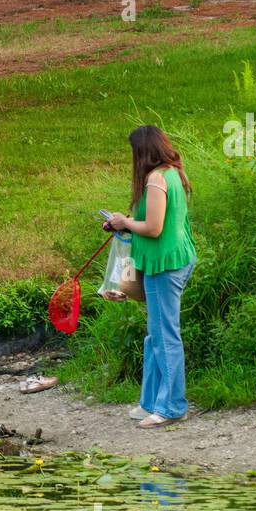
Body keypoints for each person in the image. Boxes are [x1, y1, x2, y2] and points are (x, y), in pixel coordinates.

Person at [103, 126, 197, 428]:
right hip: (166, 260)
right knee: (155, 334)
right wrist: (125, 224)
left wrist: (126, 221)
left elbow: (154, 227)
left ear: (143, 151)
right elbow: (149, 224)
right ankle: (150, 402)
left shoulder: (157, 178)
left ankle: (172, 407)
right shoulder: (173, 173)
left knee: (165, 335)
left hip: (164, 266)